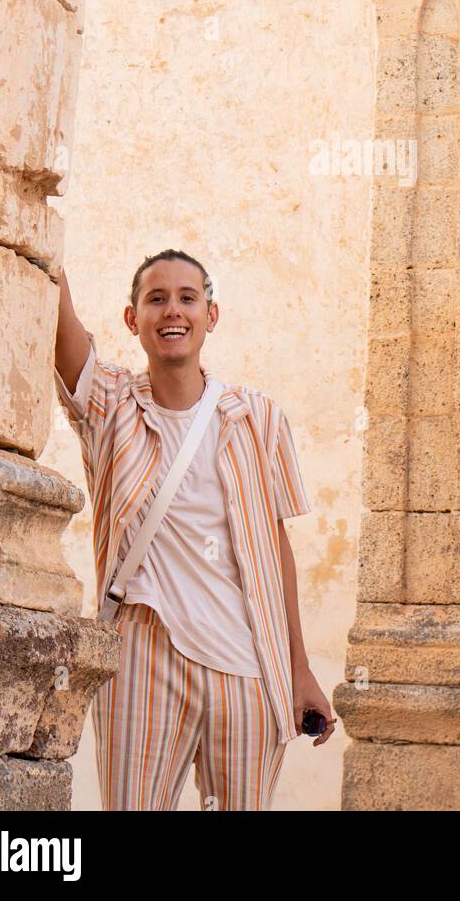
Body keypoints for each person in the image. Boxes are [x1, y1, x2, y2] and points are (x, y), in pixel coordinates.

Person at [54, 247, 335, 811]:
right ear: (133, 320)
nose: (172, 311)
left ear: (211, 315)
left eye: (187, 298)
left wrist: (300, 669)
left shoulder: (257, 416)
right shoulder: (111, 406)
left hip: (249, 666)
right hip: (141, 653)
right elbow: (64, 335)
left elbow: (274, 548)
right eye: (155, 299)